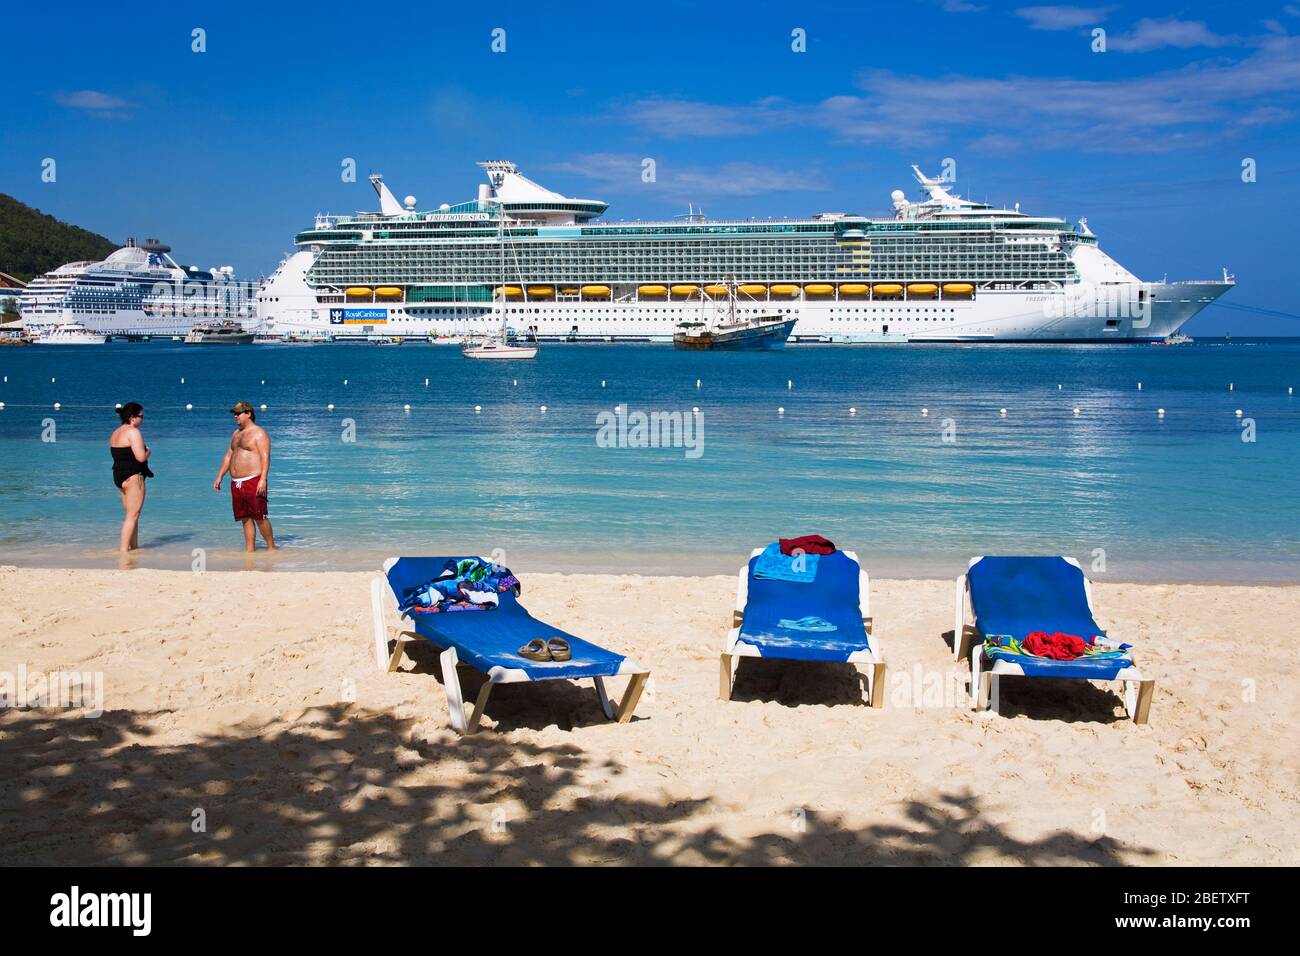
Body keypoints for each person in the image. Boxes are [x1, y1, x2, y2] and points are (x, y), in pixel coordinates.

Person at [214, 401, 275, 551]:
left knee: (260, 517)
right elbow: (229, 456)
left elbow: (265, 457)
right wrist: (220, 475)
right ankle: (250, 550)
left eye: (238, 413)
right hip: (236, 482)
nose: (235, 416)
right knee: (245, 518)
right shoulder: (236, 434)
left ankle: (271, 547)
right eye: (234, 414)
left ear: (248, 414)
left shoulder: (259, 433)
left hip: (253, 480)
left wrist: (262, 479)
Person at [109, 402, 153, 552]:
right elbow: (140, 457)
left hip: (119, 476)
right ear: (132, 417)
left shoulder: (116, 433)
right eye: (141, 416)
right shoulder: (133, 432)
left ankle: (134, 547)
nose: (143, 419)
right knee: (132, 515)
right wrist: (148, 452)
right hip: (133, 476)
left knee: (132, 515)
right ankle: (123, 551)